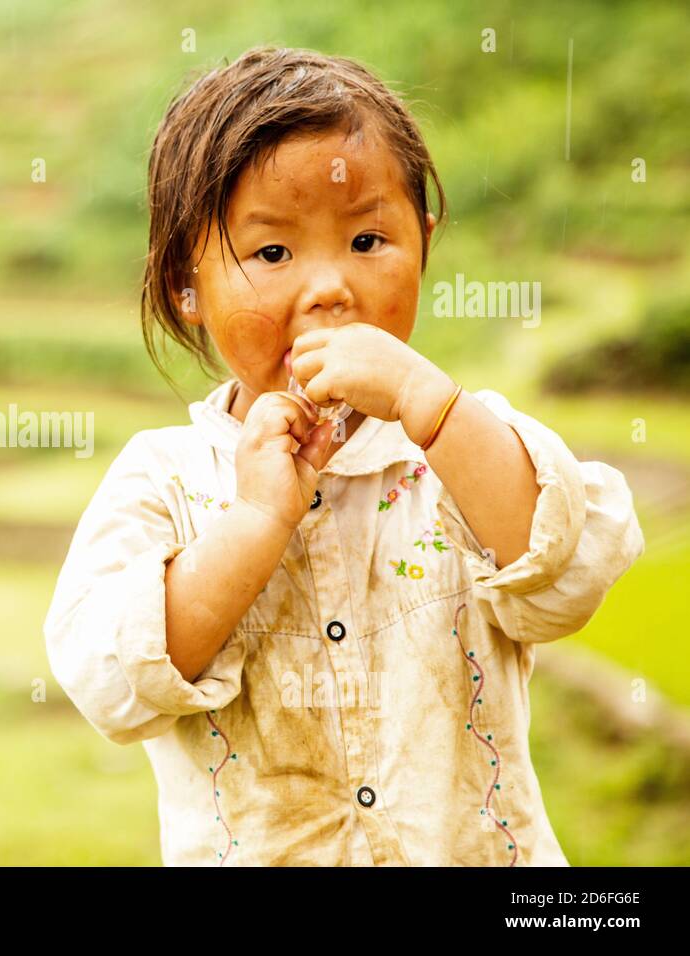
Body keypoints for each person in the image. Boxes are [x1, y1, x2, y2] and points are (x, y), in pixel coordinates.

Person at [42, 46, 645, 866]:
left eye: (367, 239)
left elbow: (568, 575)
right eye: (273, 254)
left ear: (423, 243)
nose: (330, 288)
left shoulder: (466, 446)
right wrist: (255, 520)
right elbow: (113, 681)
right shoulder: (167, 481)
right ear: (187, 281)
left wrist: (433, 408)